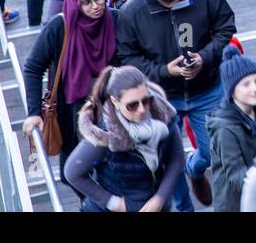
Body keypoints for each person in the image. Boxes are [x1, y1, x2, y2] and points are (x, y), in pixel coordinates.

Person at [115, 0, 237, 210]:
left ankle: (197, 168)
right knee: (170, 163)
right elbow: (128, 57)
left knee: (216, 153)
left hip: (207, 89)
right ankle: (184, 207)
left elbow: (226, 26)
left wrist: (205, 57)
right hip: (161, 99)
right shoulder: (131, 13)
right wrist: (164, 71)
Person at [21, 0, 119, 194]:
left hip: (112, 107)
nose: (95, 6)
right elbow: (33, 68)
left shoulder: (116, 20)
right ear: (76, 3)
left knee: (113, 165)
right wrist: (34, 111)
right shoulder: (60, 26)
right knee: (72, 170)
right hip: (72, 110)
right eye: (86, 2)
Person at [65, 65, 185, 212]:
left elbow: (177, 158)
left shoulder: (163, 115)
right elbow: (72, 172)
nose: (141, 109)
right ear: (115, 101)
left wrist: (160, 198)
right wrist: (114, 204)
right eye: (132, 105)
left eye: (146, 100)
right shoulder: (106, 134)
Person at [207, 44, 256, 213]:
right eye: (246, 84)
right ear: (232, 91)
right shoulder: (224, 127)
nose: (255, 89)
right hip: (236, 203)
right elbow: (237, 176)